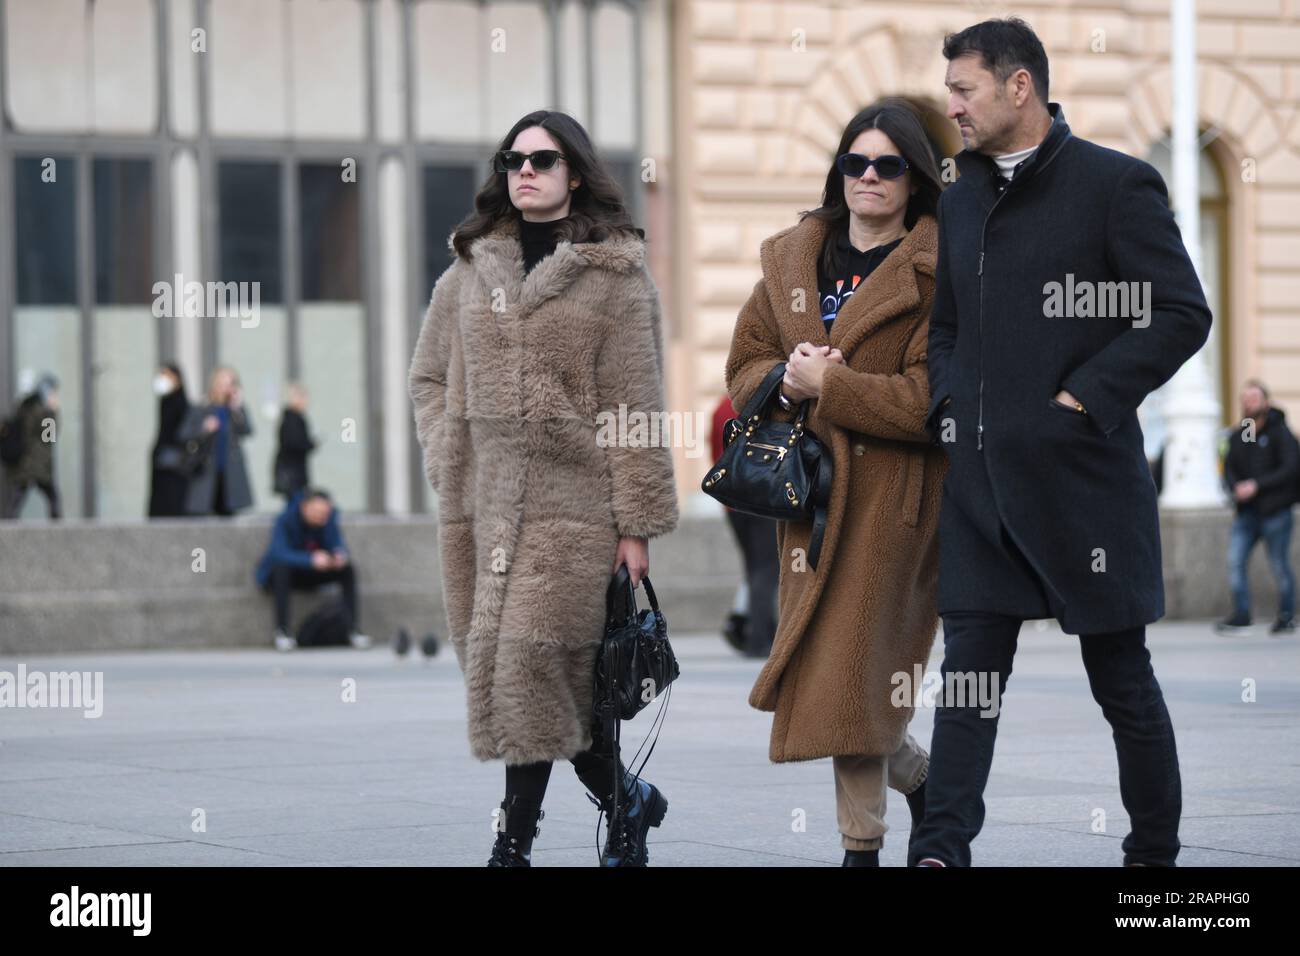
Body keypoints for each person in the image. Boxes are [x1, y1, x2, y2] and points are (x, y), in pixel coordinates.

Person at [911, 18, 1212, 868]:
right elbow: (946, 331)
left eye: (964, 90)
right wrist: (947, 405)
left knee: (1123, 684)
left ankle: (1154, 860)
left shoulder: (1116, 185)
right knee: (967, 683)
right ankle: (940, 851)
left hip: (1086, 489)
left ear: (1019, 87)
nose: (953, 107)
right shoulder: (960, 196)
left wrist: (1083, 399)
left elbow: (1182, 312)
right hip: (978, 491)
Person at [408, 109, 678, 867]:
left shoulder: (613, 277)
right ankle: (631, 802)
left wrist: (638, 526)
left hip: (574, 510)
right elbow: (428, 376)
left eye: (542, 159)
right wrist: (447, 454)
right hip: (482, 509)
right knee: (525, 682)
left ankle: (512, 846)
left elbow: (634, 409)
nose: (523, 170)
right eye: (512, 159)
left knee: (527, 668)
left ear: (575, 174)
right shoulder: (469, 270)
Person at [725, 98, 947, 866]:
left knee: (854, 679)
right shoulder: (791, 259)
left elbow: (929, 403)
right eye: (857, 162)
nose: (870, 178)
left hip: (895, 509)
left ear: (914, 180)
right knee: (834, 680)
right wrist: (786, 382)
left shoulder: (935, 272)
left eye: (889, 165)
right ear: (840, 171)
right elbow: (744, 363)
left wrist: (835, 391)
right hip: (808, 506)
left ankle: (860, 850)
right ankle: (924, 777)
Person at [1218, 379, 1298, 635]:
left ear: (1265, 401)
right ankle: (1242, 615)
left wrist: (1257, 485)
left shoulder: (1280, 432)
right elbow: (1229, 466)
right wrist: (1236, 488)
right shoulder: (1239, 434)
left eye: (1254, 398)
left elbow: (1290, 468)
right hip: (1246, 513)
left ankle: (1286, 616)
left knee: (1279, 564)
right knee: (1235, 560)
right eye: (1245, 399)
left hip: (1275, 511)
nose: (1249, 403)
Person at [255, 487, 370, 651]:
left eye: (325, 513)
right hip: (285, 573)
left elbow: (337, 543)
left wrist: (339, 555)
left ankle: (353, 630)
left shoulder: (328, 519)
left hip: (315, 571)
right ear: (304, 507)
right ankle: (283, 632)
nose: (321, 517)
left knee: (348, 570)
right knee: (282, 570)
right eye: (317, 512)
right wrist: (310, 559)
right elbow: (278, 552)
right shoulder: (285, 519)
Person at [709, 392, 779, 658]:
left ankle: (762, 631)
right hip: (762, 500)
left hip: (732, 502)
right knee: (766, 569)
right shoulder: (763, 405)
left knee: (753, 568)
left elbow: (714, 453)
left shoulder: (721, 407)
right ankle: (760, 638)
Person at [178, 366, 254, 516]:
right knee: (204, 514)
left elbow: (246, 431)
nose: (227, 388)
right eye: (223, 384)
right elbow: (184, 434)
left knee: (228, 514)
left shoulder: (235, 409)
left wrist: (236, 409)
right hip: (206, 472)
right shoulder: (201, 407)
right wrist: (204, 428)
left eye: (231, 384)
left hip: (230, 472)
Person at [2, 373, 61, 520]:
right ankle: (59, 525)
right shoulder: (43, 411)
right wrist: (53, 412)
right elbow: (49, 437)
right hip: (36, 462)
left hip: (26, 461)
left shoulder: (25, 407)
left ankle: (10, 522)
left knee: (20, 492)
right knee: (51, 495)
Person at [148, 363, 191, 517]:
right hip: (162, 456)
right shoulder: (165, 401)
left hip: (175, 460)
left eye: (166, 375)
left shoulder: (181, 403)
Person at [273, 382, 318, 500]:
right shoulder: (292, 419)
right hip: (292, 472)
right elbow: (293, 443)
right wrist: (310, 444)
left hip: (292, 470)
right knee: (295, 503)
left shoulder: (292, 418)